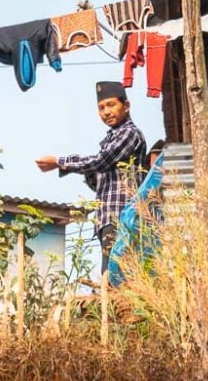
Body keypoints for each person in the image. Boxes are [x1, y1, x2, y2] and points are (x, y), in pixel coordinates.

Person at [36, 81, 146, 277]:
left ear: (126, 106)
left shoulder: (130, 134)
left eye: (111, 105)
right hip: (106, 218)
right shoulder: (110, 139)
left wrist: (60, 162)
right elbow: (97, 176)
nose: (106, 112)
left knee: (116, 276)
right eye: (101, 108)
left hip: (120, 215)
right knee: (110, 275)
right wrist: (84, 169)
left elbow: (101, 161)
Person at [106, 140, 166, 286]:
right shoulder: (146, 182)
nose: (154, 161)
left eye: (157, 156)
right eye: (153, 156)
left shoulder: (157, 175)